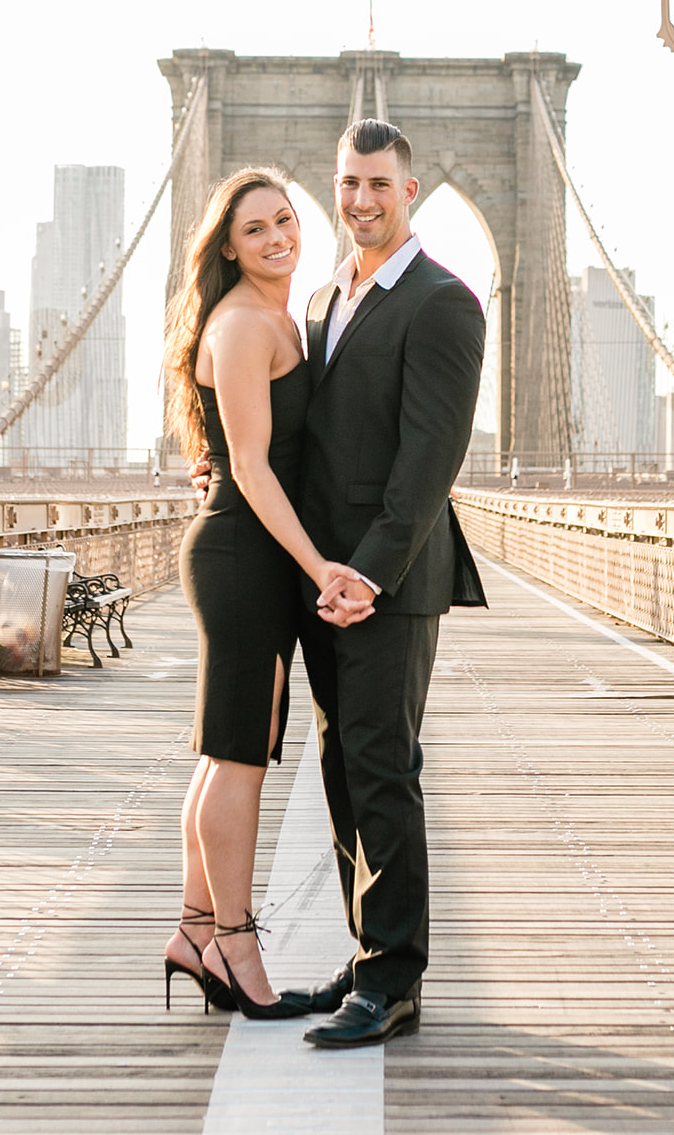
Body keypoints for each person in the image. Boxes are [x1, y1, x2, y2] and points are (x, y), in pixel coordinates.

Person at [197, 119, 487, 1050]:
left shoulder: (445, 303)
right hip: (323, 581)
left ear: (411, 192)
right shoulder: (322, 301)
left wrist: (366, 571)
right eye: (347, 184)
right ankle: (367, 960)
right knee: (341, 772)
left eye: (378, 185)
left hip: (386, 585)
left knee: (384, 770)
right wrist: (223, 466)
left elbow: (428, 463)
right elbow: (293, 438)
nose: (359, 201)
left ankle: (395, 980)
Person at [162, 166, 367, 1020]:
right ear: (228, 246)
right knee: (242, 756)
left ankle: (192, 929)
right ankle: (235, 944)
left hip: (250, 551)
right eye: (255, 230)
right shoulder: (246, 323)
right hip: (246, 555)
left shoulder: (284, 311)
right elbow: (248, 466)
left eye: (285, 220)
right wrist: (323, 568)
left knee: (224, 751)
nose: (278, 237)